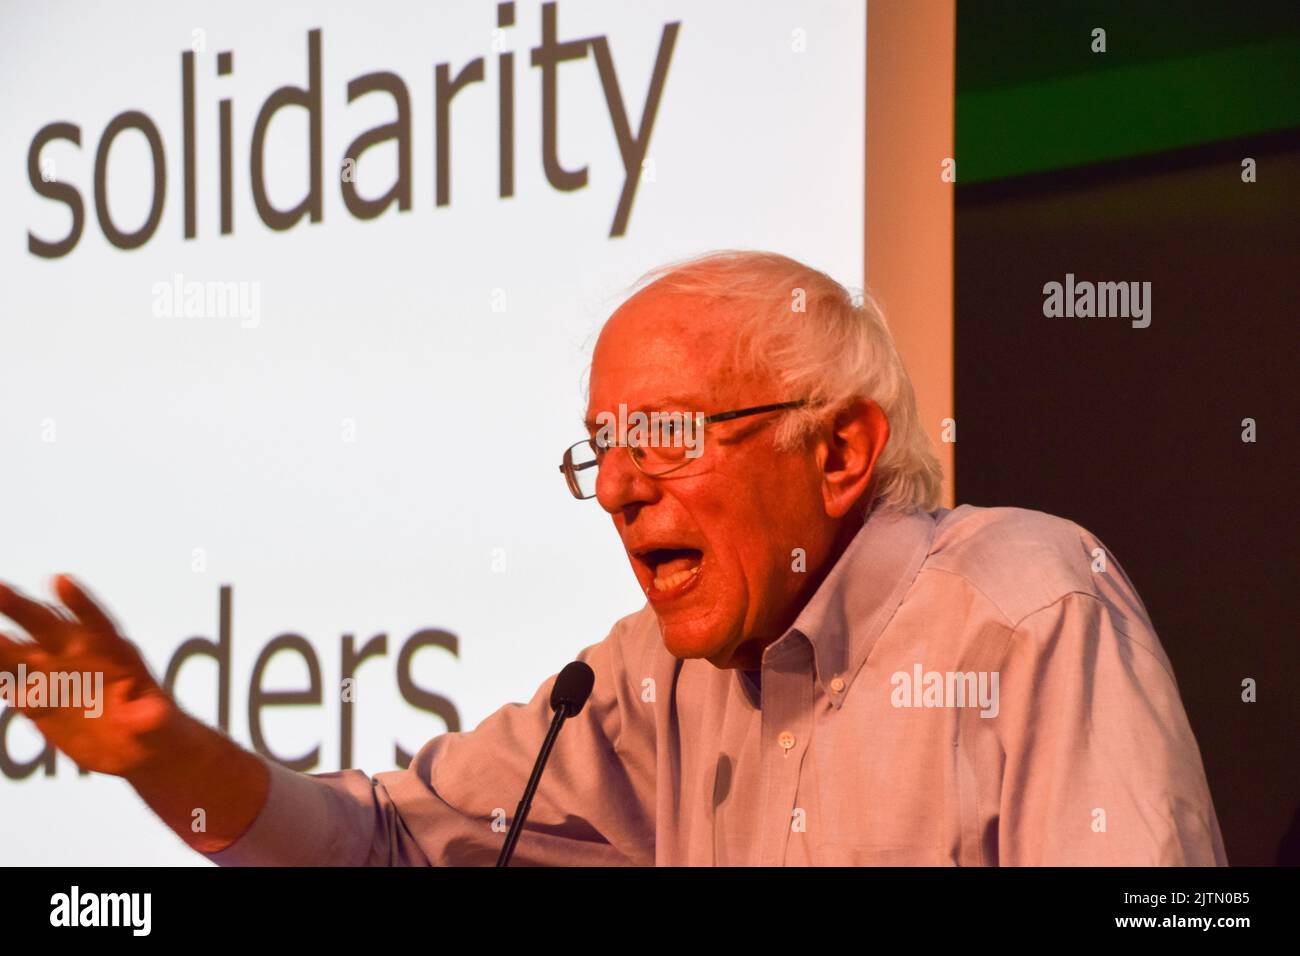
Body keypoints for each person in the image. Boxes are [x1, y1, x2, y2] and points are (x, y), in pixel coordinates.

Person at [0, 250, 1226, 865]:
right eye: (602, 451)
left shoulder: (1020, 607)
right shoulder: (649, 679)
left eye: (664, 439)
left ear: (841, 450)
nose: (624, 489)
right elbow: (385, 842)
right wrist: (168, 757)